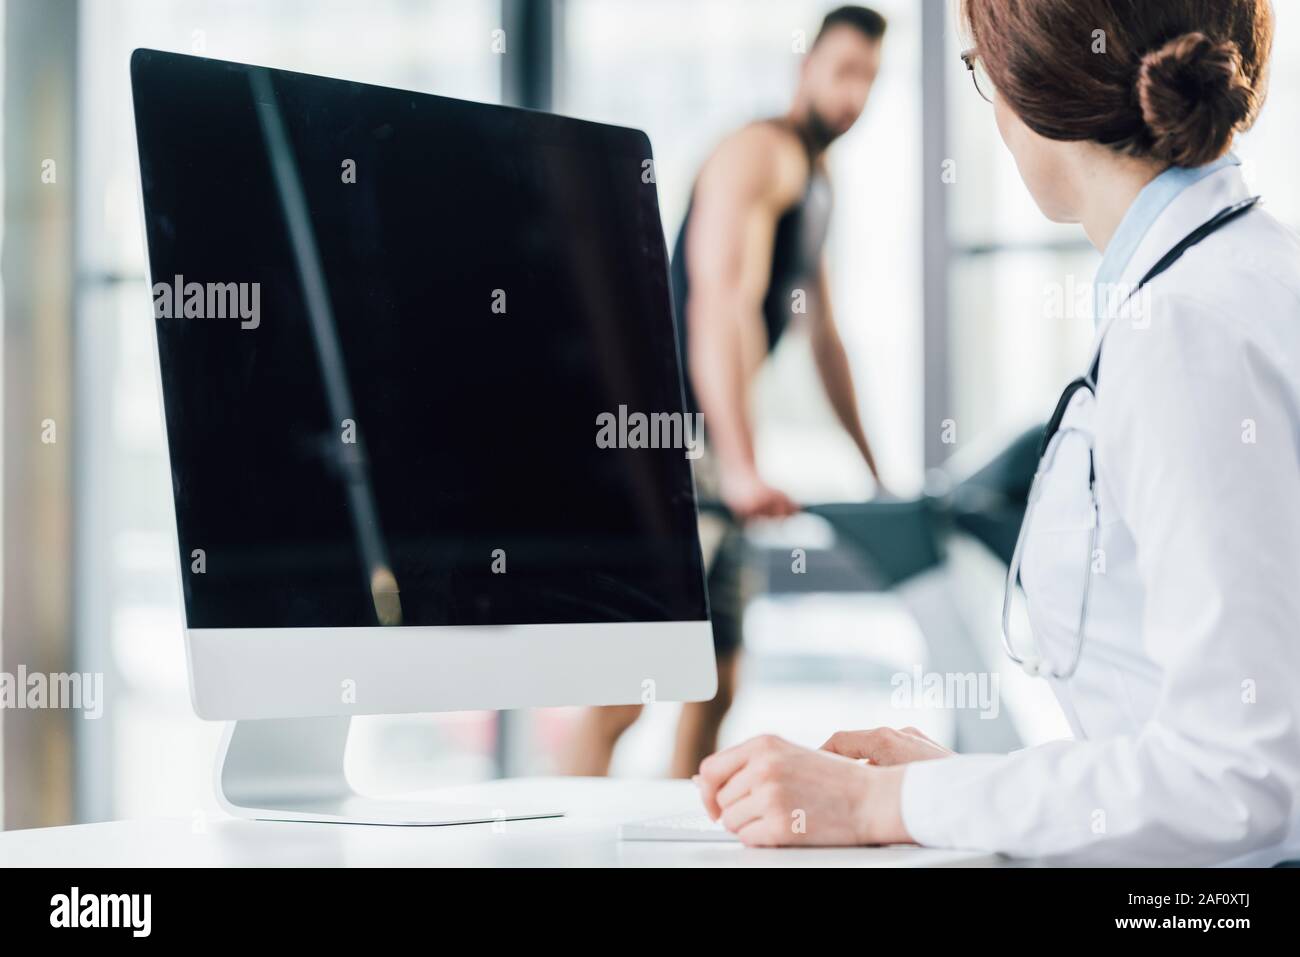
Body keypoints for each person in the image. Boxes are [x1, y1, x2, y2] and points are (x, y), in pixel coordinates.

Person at [696, 0, 1300, 865]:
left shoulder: (1183, 329)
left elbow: (1236, 782)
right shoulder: (1241, 273)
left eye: (979, 69)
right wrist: (963, 790)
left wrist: (885, 800)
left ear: (1029, 85)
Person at [559, 6, 891, 778]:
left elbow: (823, 337)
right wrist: (740, 465)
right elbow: (721, 301)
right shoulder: (757, 153)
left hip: (716, 450)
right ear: (805, 66)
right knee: (624, 690)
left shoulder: (816, 177)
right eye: (843, 71)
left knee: (716, 680)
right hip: (668, 443)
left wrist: (874, 471)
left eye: (869, 79)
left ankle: (681, 834)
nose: (854, 95)